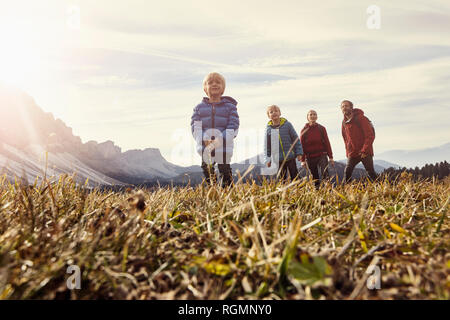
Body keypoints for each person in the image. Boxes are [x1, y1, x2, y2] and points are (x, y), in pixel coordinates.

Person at [190, 72, 239, 187]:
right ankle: (213, 190)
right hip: (205, 146)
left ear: (223, 89)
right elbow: (196, 127)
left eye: (218, 82)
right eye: (210, 82)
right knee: (207, 169)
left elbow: (233, 126)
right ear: (205, 89)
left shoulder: (230, 107)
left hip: (223, 146)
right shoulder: (198, 108)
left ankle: (228, 192)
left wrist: (220, 139)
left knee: (224, 170)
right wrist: (204, 139)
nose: (214, 84)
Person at [341, 100, 377, 182]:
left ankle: (382, 190)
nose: (344, 108)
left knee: (370, 172)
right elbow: (345, 138)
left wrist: (365, 150)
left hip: (364, 152)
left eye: (346, 106)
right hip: (352, 153)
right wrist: (348, 152)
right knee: (347, 172)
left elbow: (370, 135)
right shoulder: (344, 122)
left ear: (351, 107)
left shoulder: (361, 118)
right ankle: (346, 191)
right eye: (342, 107)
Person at [264, 105, 303, 181]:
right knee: (281, 179)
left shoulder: (287, 125)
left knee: (295, 176)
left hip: (290, 157)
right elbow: (267, 146)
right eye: (271, 112)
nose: (274, 113)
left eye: (276, 111)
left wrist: (299, 153)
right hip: (278, 159)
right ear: (268, 116)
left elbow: (295, 139)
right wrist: (267, 159)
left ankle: (299, 190)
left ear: (280, 113)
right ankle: (283, 192)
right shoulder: (268, 129)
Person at [300, 110, 334, 189]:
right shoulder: (304, 130)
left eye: (314, 114)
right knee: (314, 177)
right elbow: (302, 146)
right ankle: (317, 192)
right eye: (310, 114)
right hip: (310, 157)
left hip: (322, 155)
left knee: (325, 174)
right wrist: (302, 160)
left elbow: (327, 143)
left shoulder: (321, 128)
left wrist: (331, 157)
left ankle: (328, 192)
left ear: (317, 117)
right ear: (307, 117)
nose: (312, 116)